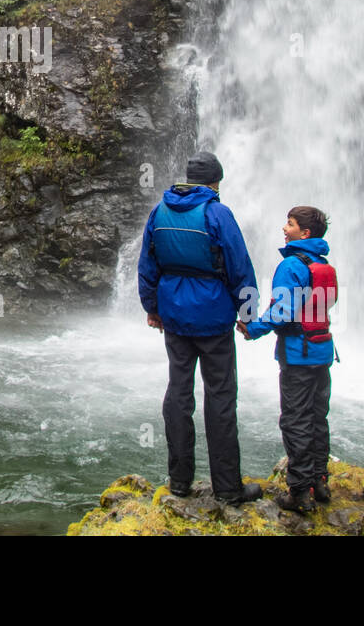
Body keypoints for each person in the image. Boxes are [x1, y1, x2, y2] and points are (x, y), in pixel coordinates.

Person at [137, 151, 262, 503]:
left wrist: (152, 308)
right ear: (216, 181)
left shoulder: (159, 212)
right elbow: (241, 267)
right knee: (220, 398)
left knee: (178, 394)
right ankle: (227, 489)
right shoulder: (218, 213)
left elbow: (147, 265)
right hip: (214, 319)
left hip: (175, 317)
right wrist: (249, 315)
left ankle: (179, 482)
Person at [238, 205, 335, 513]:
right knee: (318, 418)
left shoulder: (292, 265)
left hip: (298, 355)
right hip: (322, 351)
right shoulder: (322, 264)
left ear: (304, 233)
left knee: (295, 421)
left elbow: (283, 311)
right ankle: (320, 482)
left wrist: (253, 329)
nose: (284, 228)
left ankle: (299, 493)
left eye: (289, 224)